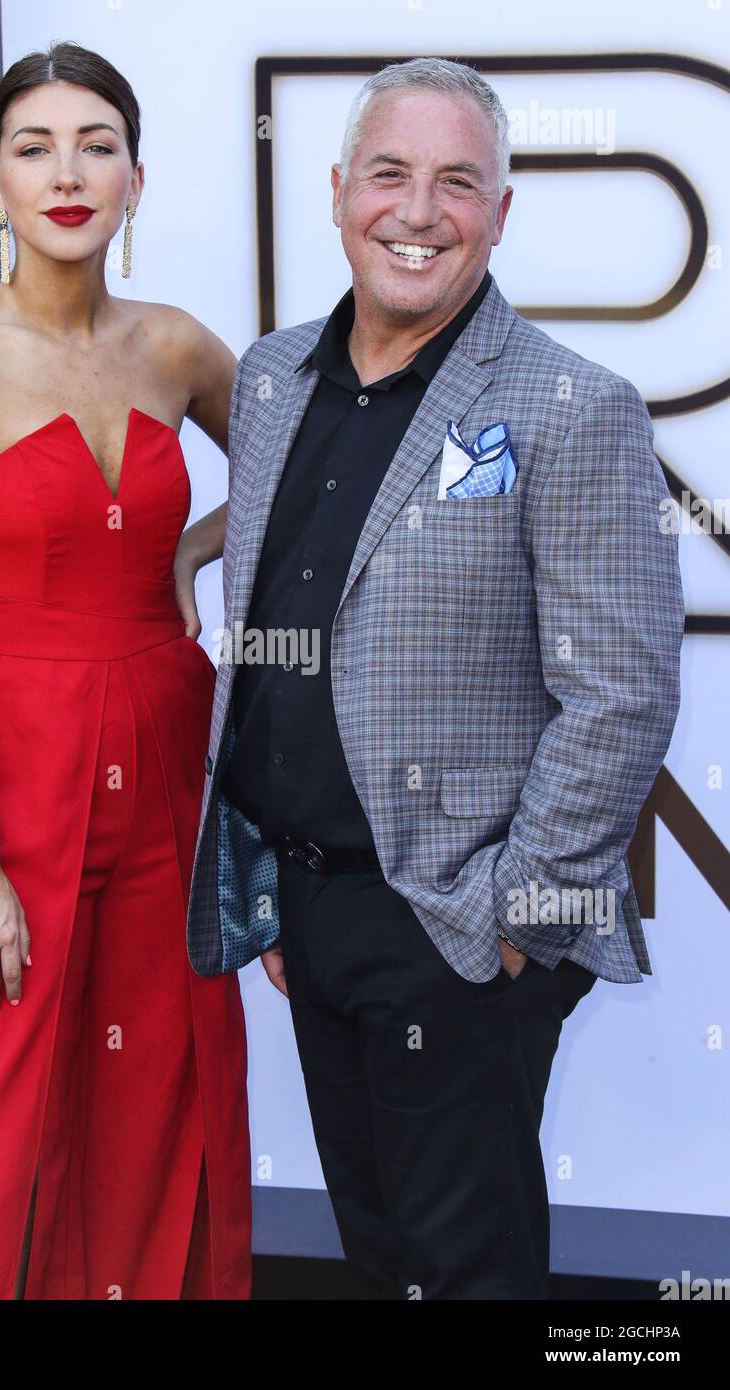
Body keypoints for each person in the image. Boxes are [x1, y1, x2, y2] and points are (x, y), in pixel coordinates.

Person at [185, 56, 684, 1299]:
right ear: (340, 189)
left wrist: (517, 920)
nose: (418, 210)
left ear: (500, 211)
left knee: (468, 1267)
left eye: (457, 181)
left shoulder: (573, 406)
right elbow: (274, 625)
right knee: (377, 1251)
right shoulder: (269, 377)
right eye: (391, 174)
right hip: (308, 908)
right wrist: (280, 880)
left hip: (460, 923)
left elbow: (622, 692)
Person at [0, 39, 250, 1300]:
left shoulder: (179, 345)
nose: (68, 172)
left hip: (160, 751)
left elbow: (316, 482)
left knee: (155, 1091)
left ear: (136, 178)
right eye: (34, 149)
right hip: (14, 764)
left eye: (97, 145)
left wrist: (198, 553)